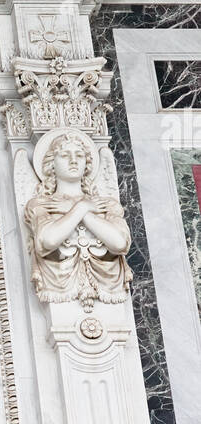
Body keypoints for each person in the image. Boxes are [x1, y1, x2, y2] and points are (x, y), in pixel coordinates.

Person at [24, 132, 132, 308]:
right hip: (58, 286)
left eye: (80, 155)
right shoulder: (40, 204)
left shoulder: (107, 204)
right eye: (65, 155)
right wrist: (82, 208)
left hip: (108, 288)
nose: (73, 160)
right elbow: (48, 240)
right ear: (51, 164)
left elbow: (120, 243)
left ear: (87, 164)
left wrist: (81, 209)